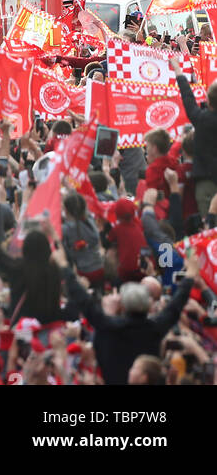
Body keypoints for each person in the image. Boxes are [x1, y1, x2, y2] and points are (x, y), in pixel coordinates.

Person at [58, 247, 196, 385]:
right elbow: (175, 306)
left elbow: (84, 300)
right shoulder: (154, 328)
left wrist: (64, 266)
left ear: (122, 305)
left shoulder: (108, 325)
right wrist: (190, 275)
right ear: (148, 306)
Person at [172, 56, 217, 213]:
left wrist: (177, 69)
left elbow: (188, 97)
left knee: (209, 229)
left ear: (208, 101)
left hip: (205, 183)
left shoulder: (202, 119)